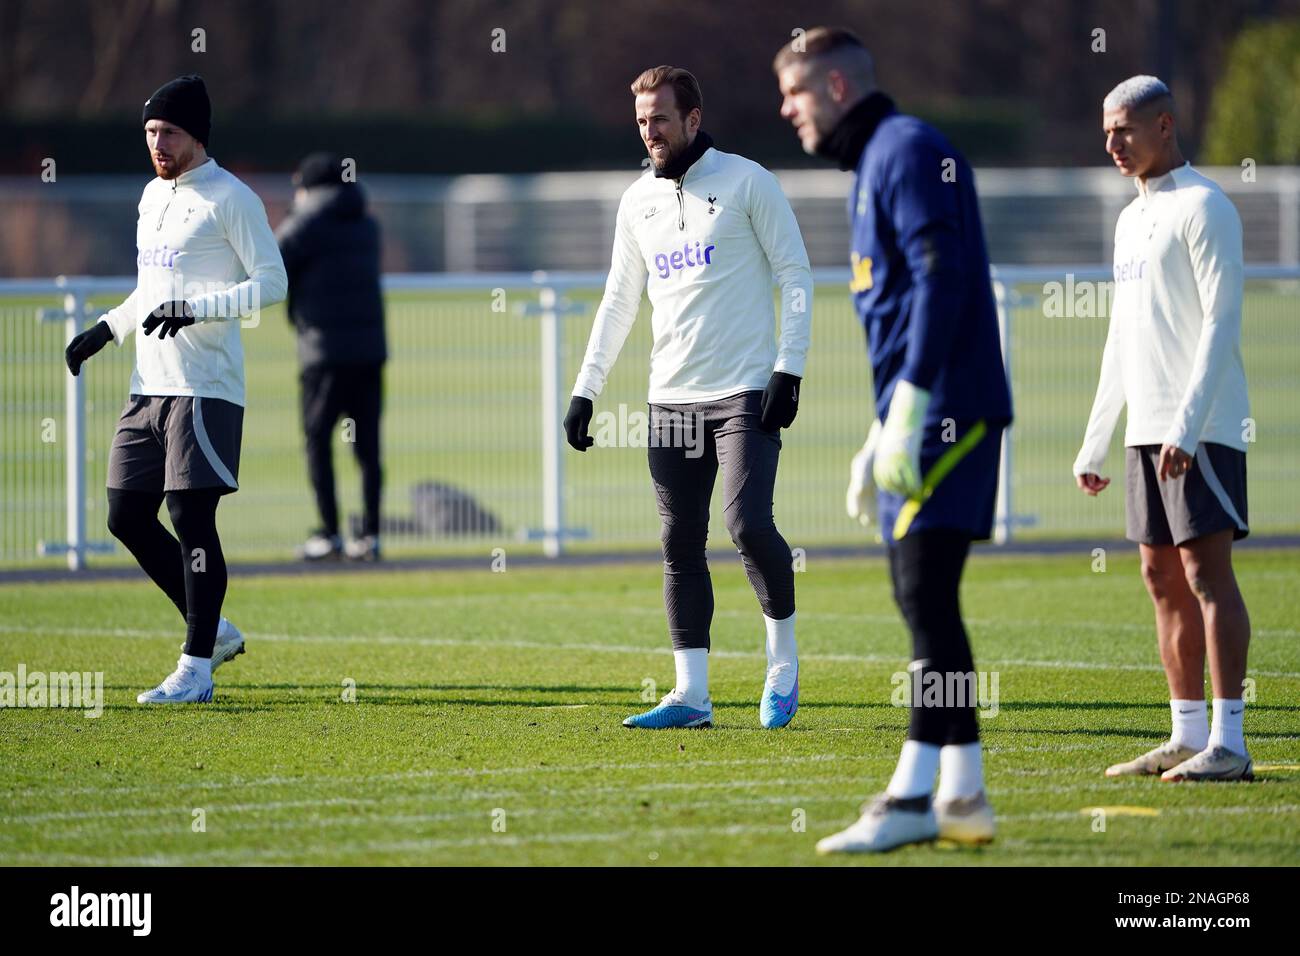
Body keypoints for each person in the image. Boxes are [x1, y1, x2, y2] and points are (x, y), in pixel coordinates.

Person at [774, 27, 1012, 852]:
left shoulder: (905, 148)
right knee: (925, 596)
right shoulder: (878, 159)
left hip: (948, 406)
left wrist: (911, 403)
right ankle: (961, 793)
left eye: (795, 92)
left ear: (837, 88)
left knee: (922, 594)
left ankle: (915, 796)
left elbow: (941, 273)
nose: (784, 110)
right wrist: (883, 424)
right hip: (926, 408)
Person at [563, 65, 813, 730]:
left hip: (744, 392)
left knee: (747, 527)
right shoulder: (635, 202)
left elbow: (794, 272)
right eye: (642, 121)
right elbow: (619, 301)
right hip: (669, 400)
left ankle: (782, 663)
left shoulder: (748, 181)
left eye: (661, 120)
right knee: (679, 541)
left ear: (693, 119)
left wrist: (789, 367)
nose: (650, 132)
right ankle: (691, 696)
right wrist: (586, 390)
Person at [64, 74, 287, 703]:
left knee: (191, 515)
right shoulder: (151, 196)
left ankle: (196, 668)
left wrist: (198, 309)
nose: (157, 145)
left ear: (197, 135)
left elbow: (273, 283)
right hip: (147, 386)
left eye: (168, 133)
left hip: (204, 387)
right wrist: (107, 328)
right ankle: (212, 629)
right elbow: (150, 290)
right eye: (150, 133)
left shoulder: (231, 199)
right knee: (125, 514)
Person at [1075, 75, 1253, 783]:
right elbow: (1123, 336)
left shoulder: (1206, 206)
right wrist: (1097, 438)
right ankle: (1183, 734)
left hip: (1200, 426)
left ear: (1166, 125)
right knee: (1159, 577)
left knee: (1207, 575)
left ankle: (1230, 741)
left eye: (1125, 130)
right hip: (1145, 430)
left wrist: (1187, 422)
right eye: (1107, 131)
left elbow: (1221, 322)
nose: (1113, 143)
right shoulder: (1130, 219)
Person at [276, 152, 387, 562]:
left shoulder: (306, 224)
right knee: (368, 446)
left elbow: (271, 261)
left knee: (318, 441)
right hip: (369, 351)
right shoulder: (368, 224)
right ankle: (371, 535)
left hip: (322, 353)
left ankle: (330, 532)